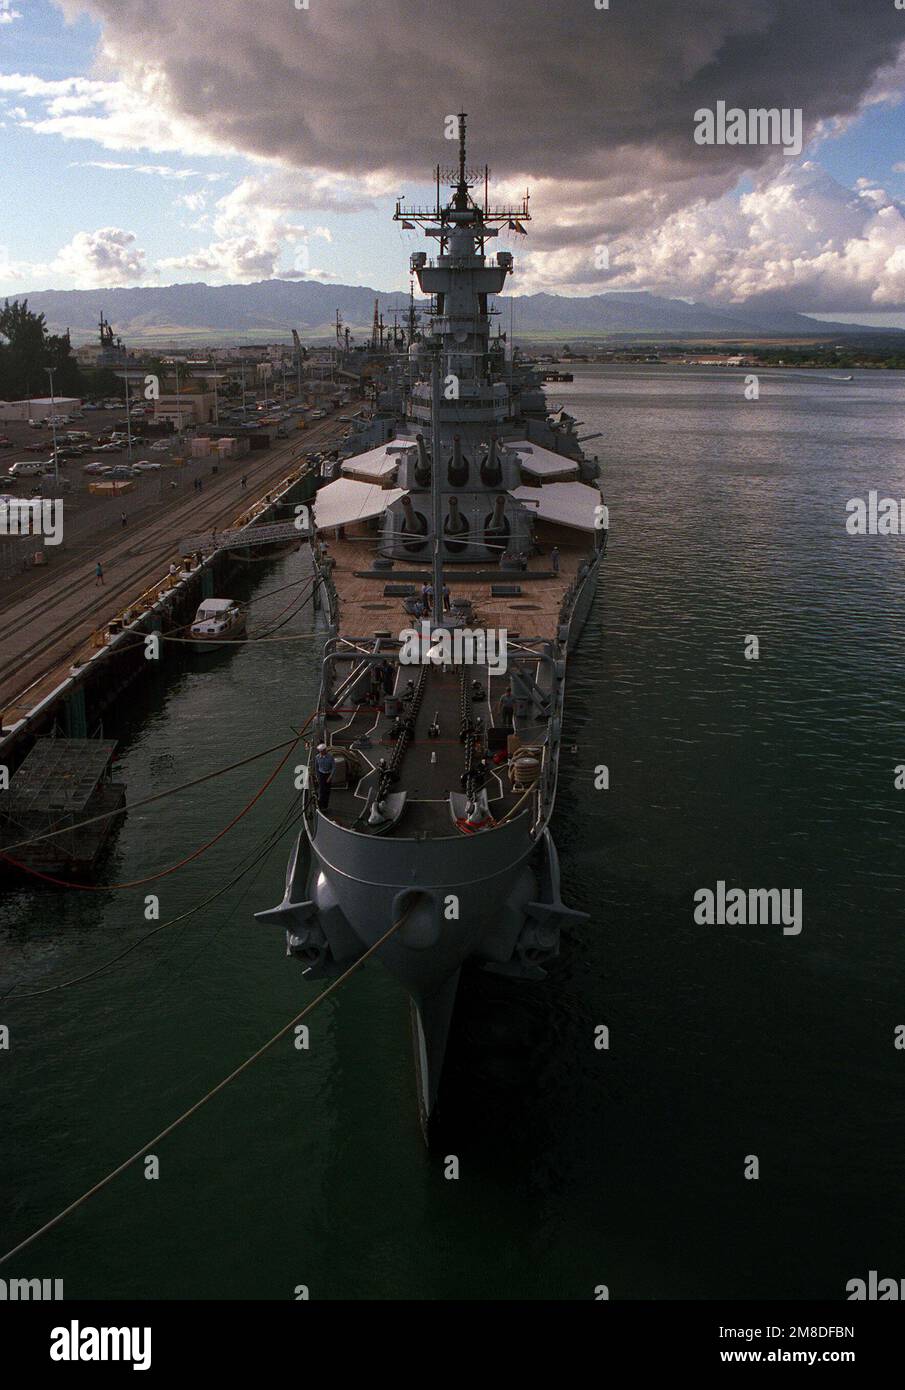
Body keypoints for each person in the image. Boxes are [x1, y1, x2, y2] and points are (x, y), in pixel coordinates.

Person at [315, 742, 336, 811]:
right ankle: (320, 805)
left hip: (328, 774)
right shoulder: (317, 757)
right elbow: (316, 767)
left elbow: (333, 767)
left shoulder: (330, 757)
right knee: (321, 790)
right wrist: (317, 777)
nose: (322, 752)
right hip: (321, 774)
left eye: (323, 751)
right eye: (321, 751)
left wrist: (330, 777)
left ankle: (325, 806)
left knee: (327, 791)